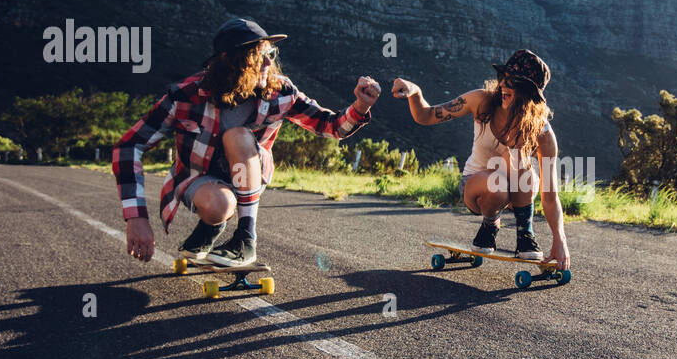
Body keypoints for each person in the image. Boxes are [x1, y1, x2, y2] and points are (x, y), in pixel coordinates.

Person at [113, 17, 380, 266]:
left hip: (250, 171)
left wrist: (360, 105)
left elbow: (329, 126)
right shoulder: (186, 95)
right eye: (258, 56)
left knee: (237, 135)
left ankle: (245, 239)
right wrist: (136, 217)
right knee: (220, 206)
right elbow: (129, 146)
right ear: (230, 61)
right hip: (199, 178)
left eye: (270, 54)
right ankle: (211, 226)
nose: (267, 63)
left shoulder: (281, 92)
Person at [391, 49, 571, 269]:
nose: (504, 86)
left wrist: (559, 240)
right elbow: (426, 115)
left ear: (528, 93)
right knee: (499, 182)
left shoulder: (542, 133)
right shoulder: (481, 101)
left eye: (514, 82)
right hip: (476, 187)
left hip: (519, 192)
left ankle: (525, 233)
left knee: (518, 157)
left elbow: (550, 196)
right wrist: (415, 92)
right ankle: (489, 224)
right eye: (504, 78)